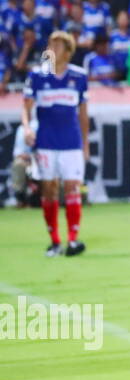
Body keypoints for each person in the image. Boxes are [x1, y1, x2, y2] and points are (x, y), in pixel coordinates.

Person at [22, 31, 89, 257]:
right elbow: (26, 107)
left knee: (71, 187)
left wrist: (85, 144)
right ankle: (54, 241)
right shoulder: (37, 76)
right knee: (49, 189)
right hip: (46, 142)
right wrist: (27, 127)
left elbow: (83, 113)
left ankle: (73, 240)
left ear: (68, 51)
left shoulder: (79, 77)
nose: (52, 49)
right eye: (50, 44)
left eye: (58, 45)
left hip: (71, 142)